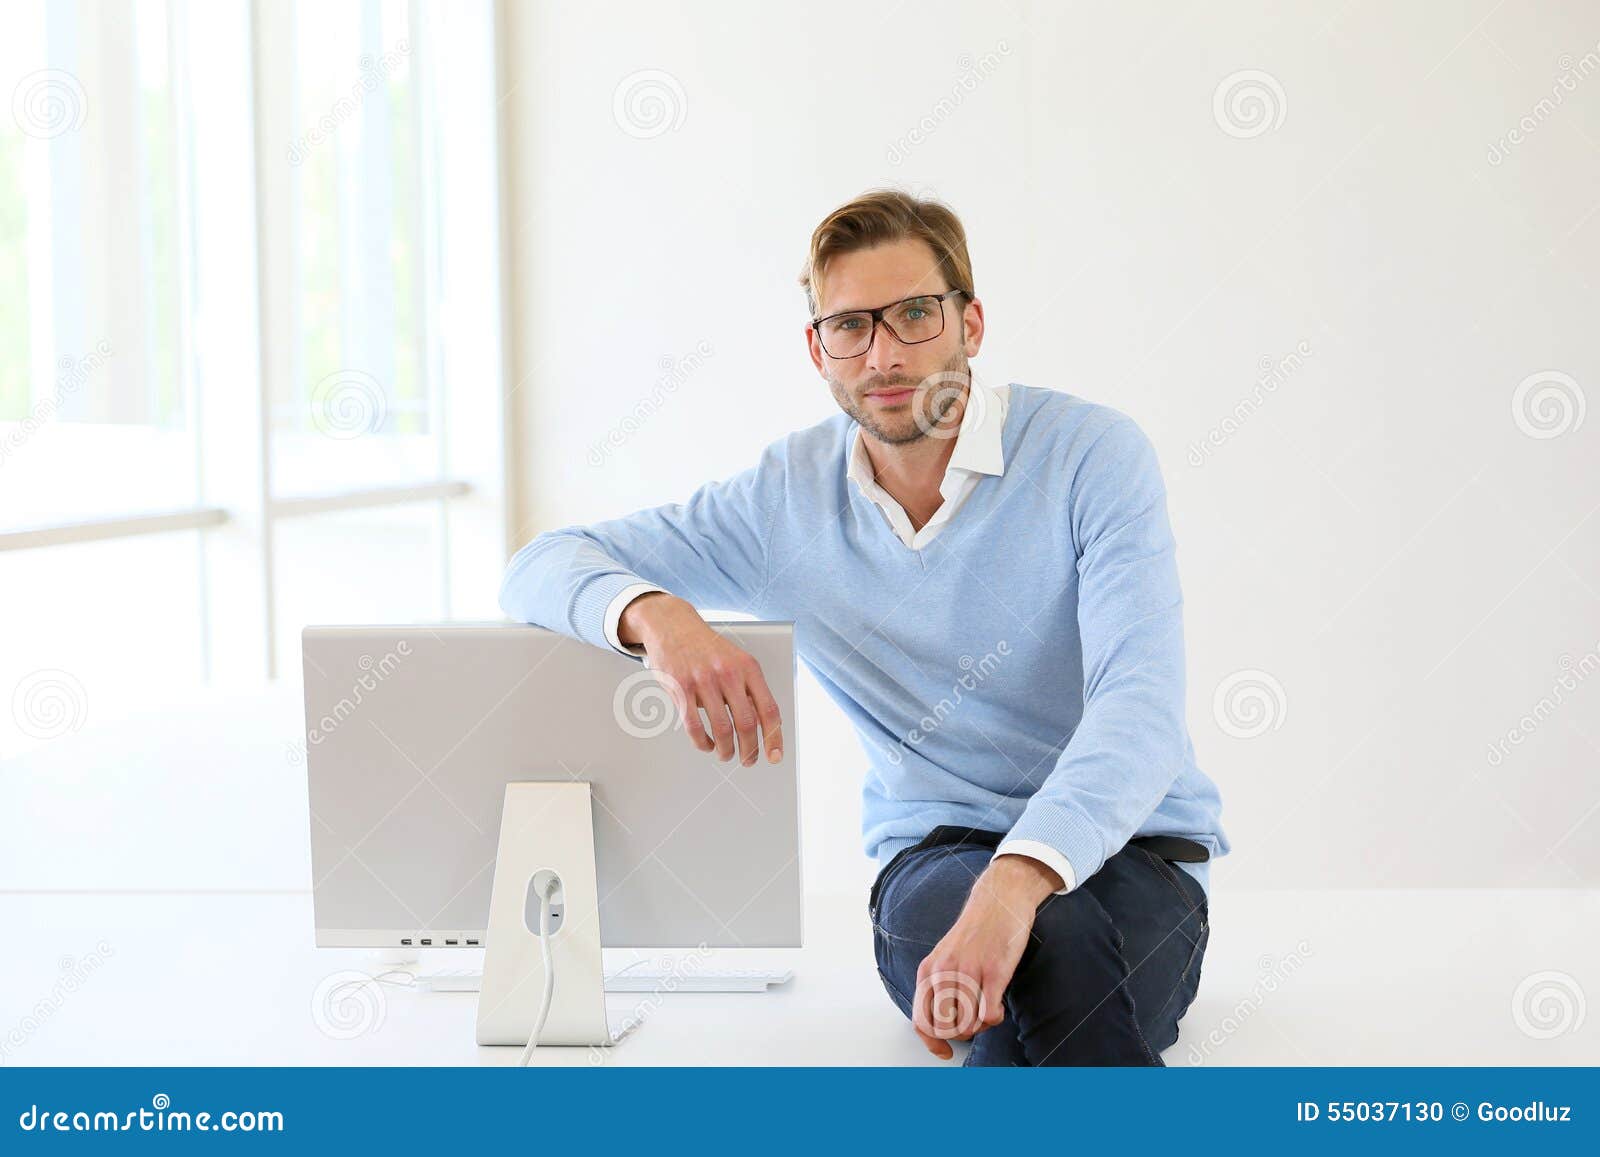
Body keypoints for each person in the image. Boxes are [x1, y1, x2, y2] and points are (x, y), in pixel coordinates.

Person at [499, 189, 1229, 1065]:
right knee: (1047, 961)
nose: (884, 354)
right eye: (850, 325)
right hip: (941, 856)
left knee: (1039, 963)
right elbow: (539, 563)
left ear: (970, 324)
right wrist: (656, 615)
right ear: (819, 350)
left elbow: (1140, 711)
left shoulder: (1090, 456)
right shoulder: (785, 499)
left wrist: (1015, 882)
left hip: (1133, 855)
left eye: (915, 314)